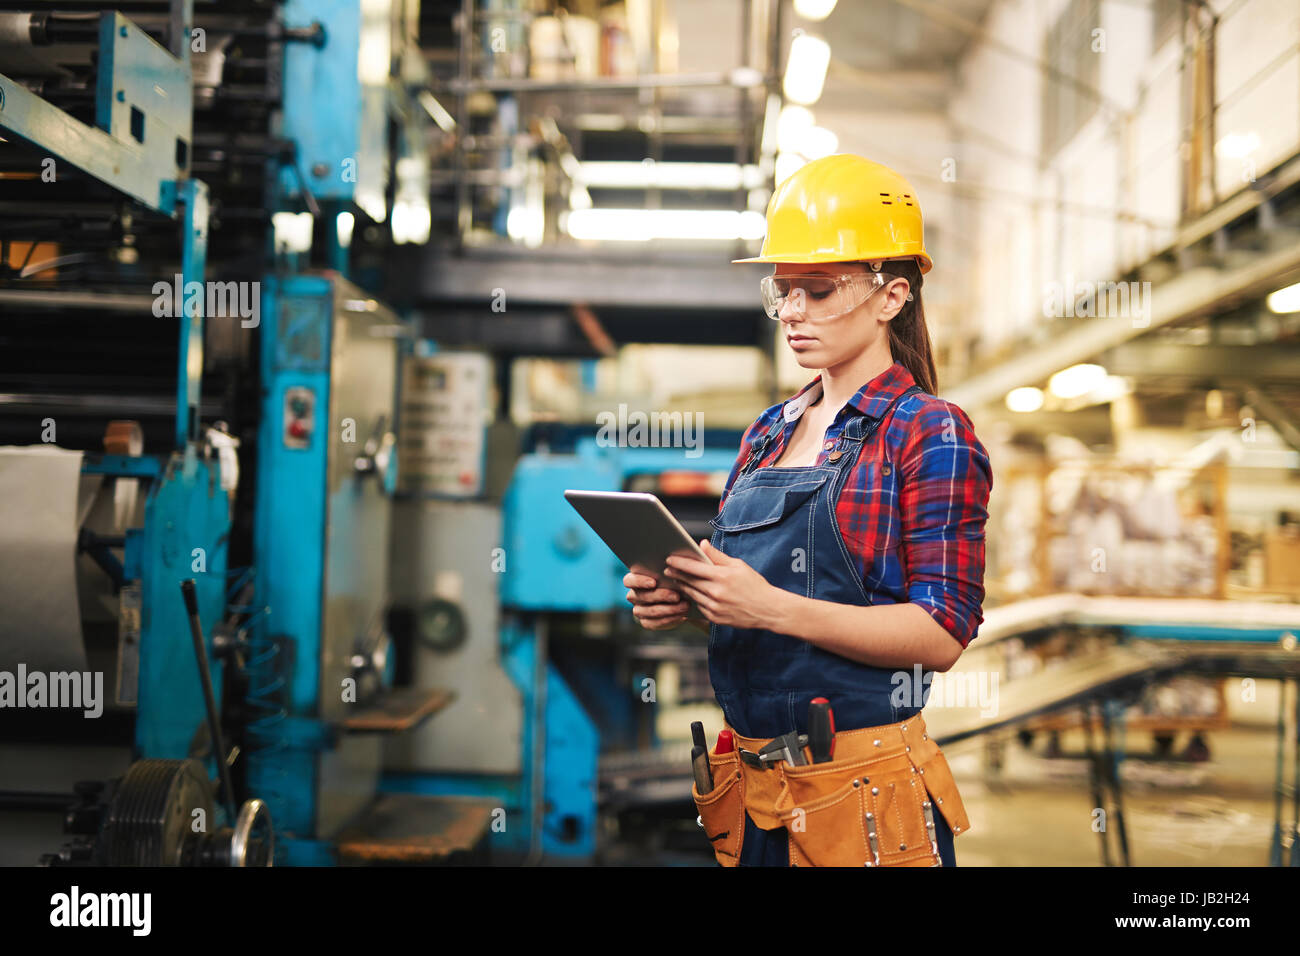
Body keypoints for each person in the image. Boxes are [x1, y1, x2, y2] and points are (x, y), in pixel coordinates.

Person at [624, 154, 992, 867]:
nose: (791, 311)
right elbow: (764, 604)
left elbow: (942, 633)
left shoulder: (928, 431)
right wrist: (691, 599)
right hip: (754, 793)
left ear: (891, 297)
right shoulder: (769, 430)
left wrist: (766, 608)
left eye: (817, 290)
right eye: (783, 290)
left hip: (863, 802)